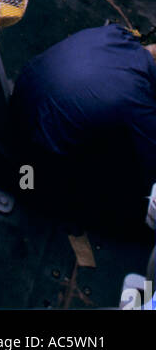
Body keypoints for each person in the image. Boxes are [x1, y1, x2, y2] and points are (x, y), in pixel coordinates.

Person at [10, 23, 156, 230]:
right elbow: (150, 169)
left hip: (19, 98)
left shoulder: (115, 33)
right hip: (32, 150)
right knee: (124, 184)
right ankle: (27, 189)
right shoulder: (138, 102)